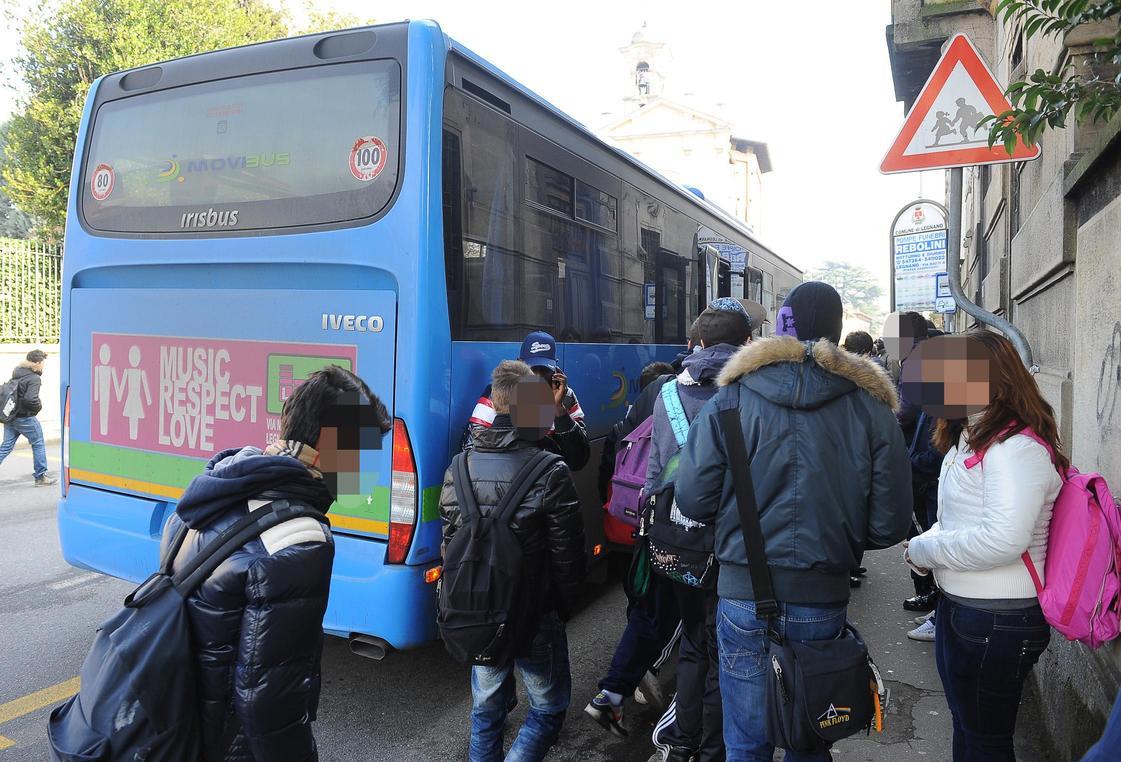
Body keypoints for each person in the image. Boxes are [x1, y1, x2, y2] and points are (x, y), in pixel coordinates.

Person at [675, 281, 913, 762]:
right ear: (838, 329)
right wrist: (838, 534)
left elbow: (693, 501)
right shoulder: (871, 409)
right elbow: (890, 526)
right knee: (809, 731)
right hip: (822, 596)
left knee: (744, 740)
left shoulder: (731, 399)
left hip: (742, 593)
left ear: (785, 325)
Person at [160, 365, 392, 761]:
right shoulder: (300, 539)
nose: (363, 469)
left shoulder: (216, 492)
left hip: (178, 725)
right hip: (231, 745)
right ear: (330, 446)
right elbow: (268, 699)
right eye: (362, 451)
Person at [905, 331, 1064, 761]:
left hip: (997, 620)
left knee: (985, 740)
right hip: (965, 610)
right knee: (967, 724)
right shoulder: (969, 434)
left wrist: (926, 552)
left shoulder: (1015, 448)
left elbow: (1003, 539)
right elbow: (957, 519)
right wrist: (924, 543)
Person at [442, 360, 587, 762]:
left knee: (486, 709)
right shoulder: (550, 470)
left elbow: (449, 542)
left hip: (479, 611)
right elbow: (567, 557)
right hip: (533, 611)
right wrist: (564, 608)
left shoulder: (459, 466)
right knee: (547, 707)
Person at [648, 301, 757, 762]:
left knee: (693, 641)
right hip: (731, 544)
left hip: (675, 539)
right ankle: (715, 748)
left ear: (697, 344)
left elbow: (655, 472)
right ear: (745, 345)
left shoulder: (667, 392)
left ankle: (682, 742)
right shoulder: (749, 393)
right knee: (724, 650)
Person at [464, 331, 590, 471]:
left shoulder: (565, 396)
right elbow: (469, 450)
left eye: (545, 370)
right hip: (509, 482)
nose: (538, 376)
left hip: (549, 483)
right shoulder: (497, 393)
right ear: (519, 364)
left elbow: (578, 460)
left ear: (555, 369)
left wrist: (559, 410)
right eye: (532, 369)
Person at [0, 348, 55, 486]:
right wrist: (38, 408)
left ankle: (41, 476)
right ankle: (41, 476)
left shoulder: (18, 372)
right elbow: (31, 399)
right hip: (25, 418)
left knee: (6, 446)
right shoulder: (34, 378)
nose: (43, 365)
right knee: (38, 443)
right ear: (37, 363)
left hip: (11, 416)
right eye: (42, 363)